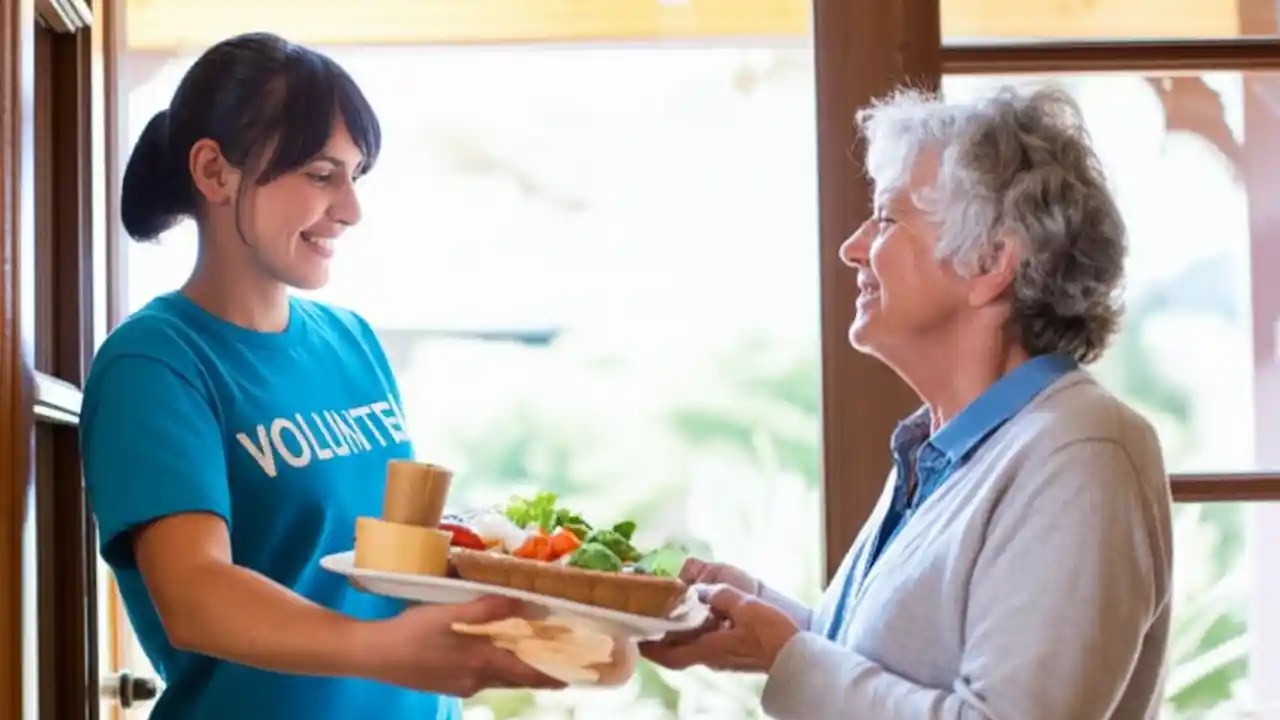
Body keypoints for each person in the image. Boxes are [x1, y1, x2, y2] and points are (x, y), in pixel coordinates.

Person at [642, 85, 1174, 719]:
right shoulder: (951, 451)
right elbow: (898, 671)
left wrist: (790, 655)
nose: (854, 247)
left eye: (887, 219)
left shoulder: (1084, 453)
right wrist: (761, 620)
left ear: (992, 261)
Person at [81, 32, 560, 720]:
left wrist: (517, 576)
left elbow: (380, 557)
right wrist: (389, 648)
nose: (350, 208)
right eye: (319, 173)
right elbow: (194, 597)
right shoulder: (155, 363)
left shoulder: (351, 341)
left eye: (355, 175)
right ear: (215, 172)